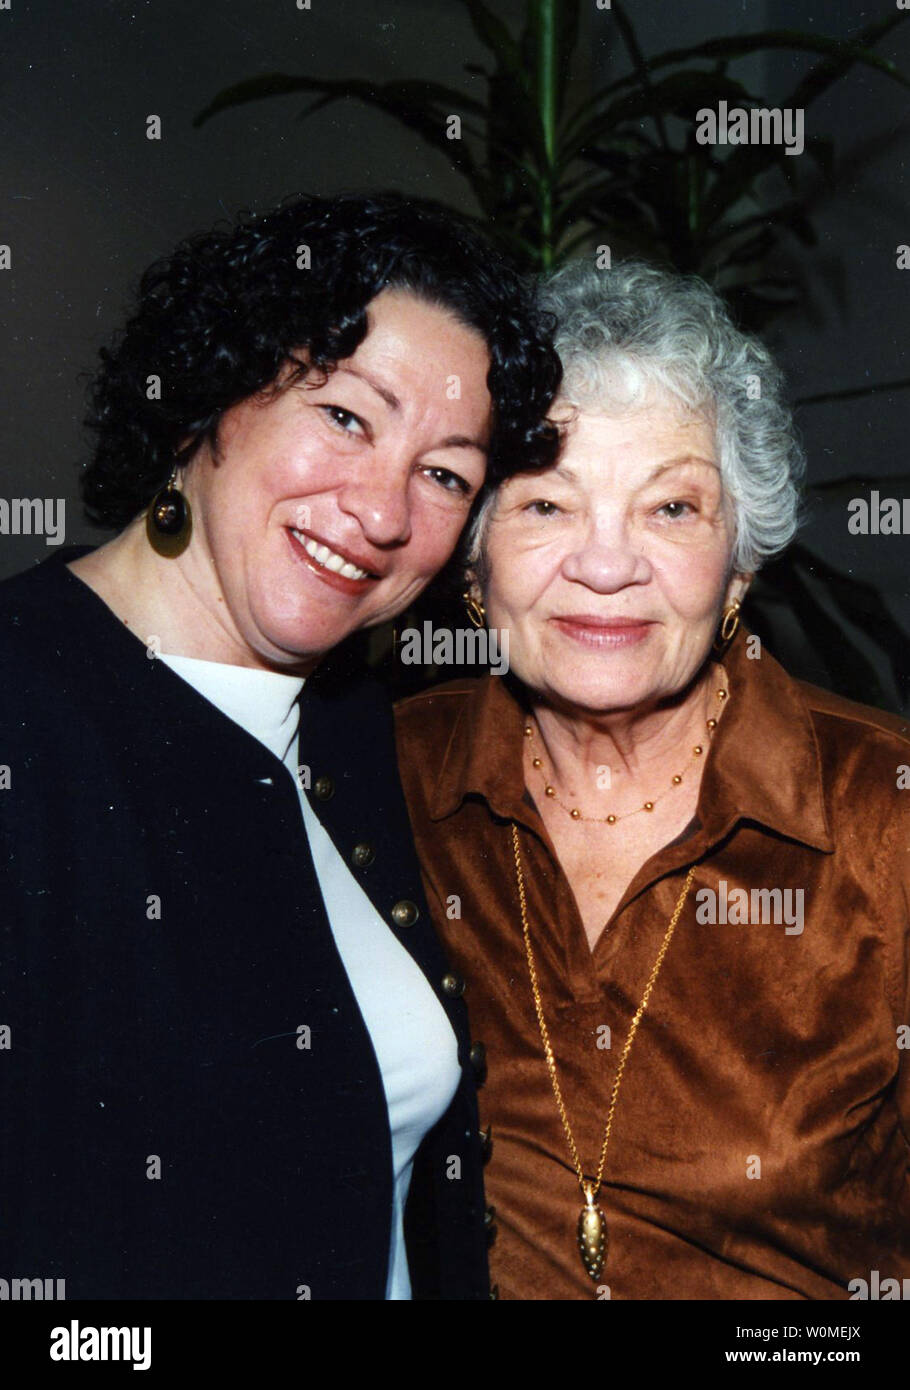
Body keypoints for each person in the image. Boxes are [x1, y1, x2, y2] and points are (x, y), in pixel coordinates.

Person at [0, 191, 561, 1299]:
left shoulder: (357, 729)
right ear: (206, 396)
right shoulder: (26, 716)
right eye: (348, 416)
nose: (383, 508)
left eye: (445, 472)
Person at [395, 258, 910, 1300]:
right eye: (545, 504)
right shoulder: (376, 781)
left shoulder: (883, 816)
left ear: (739, 565)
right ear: (473, 563)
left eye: (671, 508)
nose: (605, 563)